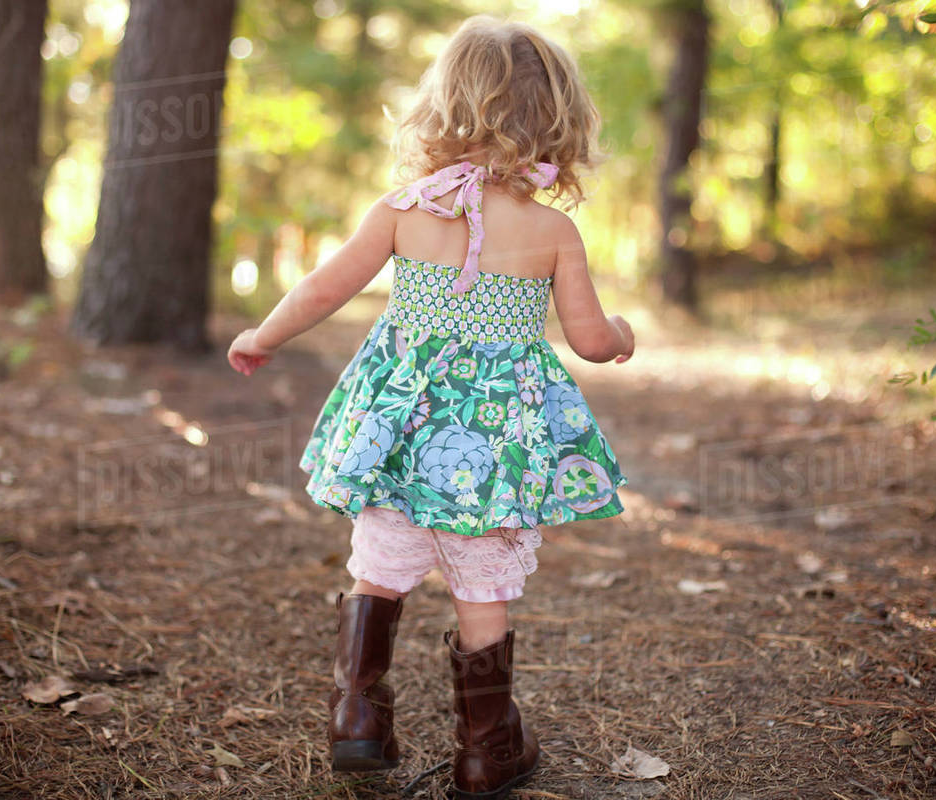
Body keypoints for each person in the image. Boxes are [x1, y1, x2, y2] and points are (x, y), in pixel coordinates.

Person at [227, 15, 633, 800]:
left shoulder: (404, 209)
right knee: (481, 584)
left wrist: (263, 333)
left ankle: (357, 715)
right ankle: (485, 749)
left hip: (399, 436)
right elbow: (587, 338)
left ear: (443, 108)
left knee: (379, 565)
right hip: (492, 451)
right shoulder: (552, 231)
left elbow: (323, 288)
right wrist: (622, 335)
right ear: (559, 124)